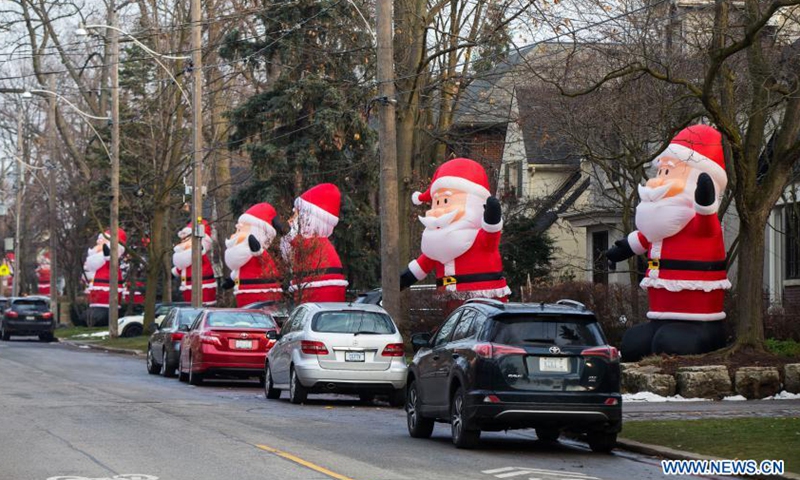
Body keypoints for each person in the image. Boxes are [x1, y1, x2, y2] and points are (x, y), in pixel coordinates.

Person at [606, 125, 731, 361]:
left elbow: (707, 227)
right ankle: (659, 326)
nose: (657, 183)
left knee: (671, 342)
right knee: (634, 343)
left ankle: (702, 333)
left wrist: (705, 203)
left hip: (698, 317)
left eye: (669, 172)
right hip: (660, 314)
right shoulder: (663, 223)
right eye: (661, 172)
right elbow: (645, 237)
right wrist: (622, 249)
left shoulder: (700, 221)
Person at [400, 158, 511, 304]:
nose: (439, 210)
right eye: (437, 202)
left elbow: (491, 235)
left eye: (445, 201)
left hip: (483, 299)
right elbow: (421, 267)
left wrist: (492, 218)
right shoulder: (436, 247)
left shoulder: (478, 237)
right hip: (449, 301)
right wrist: (398, 283)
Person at [281, 183, 348, 303]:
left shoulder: (316, 243)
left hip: (321, 289)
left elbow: (302, 246)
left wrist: (287, 233)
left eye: (296, 214)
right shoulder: (308, 243)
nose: (290, 220)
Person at [224, 203, 285, 306]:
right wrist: (231, 279)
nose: (235, 234)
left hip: (261, 296)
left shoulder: (258, 253)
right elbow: (239, 270)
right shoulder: (244, 256)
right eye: (237, 230)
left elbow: (267, 264)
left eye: (241, 230)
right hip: (243, 297)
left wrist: (258, 251)